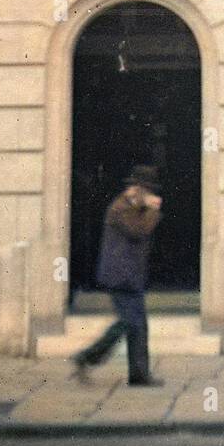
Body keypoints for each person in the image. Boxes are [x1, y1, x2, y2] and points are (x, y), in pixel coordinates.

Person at [72, 165, 164, 386]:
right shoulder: (120, 208)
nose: (151, 197)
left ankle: (139, 375)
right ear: (137, 190)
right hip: (119, 277)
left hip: (131, 276)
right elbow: (138, 231)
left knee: (138, 325)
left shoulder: (132, 207)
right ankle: (86, 357)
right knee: (129, 323)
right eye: (148, 192)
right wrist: (152, 210)